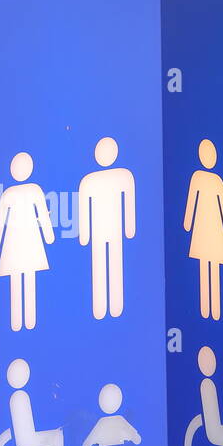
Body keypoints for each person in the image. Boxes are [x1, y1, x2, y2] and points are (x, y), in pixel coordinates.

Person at [0, 151, 55, 331]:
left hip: (23, 239)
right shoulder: (20, 192)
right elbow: (0, 221)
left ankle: (26, 322)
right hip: (20, 240)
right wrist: (49, 237)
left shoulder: (25, 191)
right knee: (21, 276)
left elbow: (41, 214)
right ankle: (21, 322)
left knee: (24, 276)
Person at [78, 137, 136, 320]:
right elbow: (83, 209)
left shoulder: (124, 176)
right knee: (100, 265)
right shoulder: (88, 181)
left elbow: (128, 203)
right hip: (100, 231)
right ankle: (100, 308)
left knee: (113, 262)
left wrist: (129, 228)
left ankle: (115, 307)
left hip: (112, 229)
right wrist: (84, 234)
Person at [184, 139, 223, 320]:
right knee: (204, 266)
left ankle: (214, 309)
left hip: (214, 230)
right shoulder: (197, 177)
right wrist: (188, 224)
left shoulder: (217, 181)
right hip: (203, 229)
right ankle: (206, 308)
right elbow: (191, 203)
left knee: (213, 266)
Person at [7, 358, 63, 446]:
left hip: (27, 440)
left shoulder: (18, 396)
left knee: (57, 436)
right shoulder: (20, 397)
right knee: (58, 437)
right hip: (27, 443)